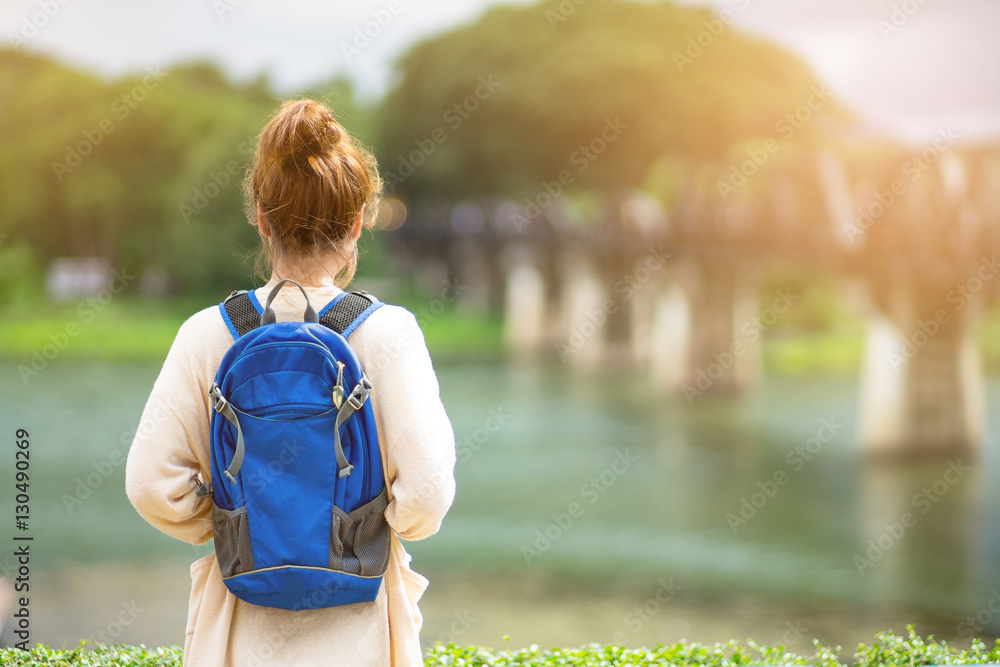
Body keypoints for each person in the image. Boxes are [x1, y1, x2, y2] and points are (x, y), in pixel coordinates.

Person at [125, 99, 456, 666]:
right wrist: (364, 530)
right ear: (357, 222)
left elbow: (151, 485)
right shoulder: (390, 333)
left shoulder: (207, 333)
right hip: (362, 633)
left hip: (237, 632)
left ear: (260, 215)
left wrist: (246, 523)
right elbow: (426, 496)